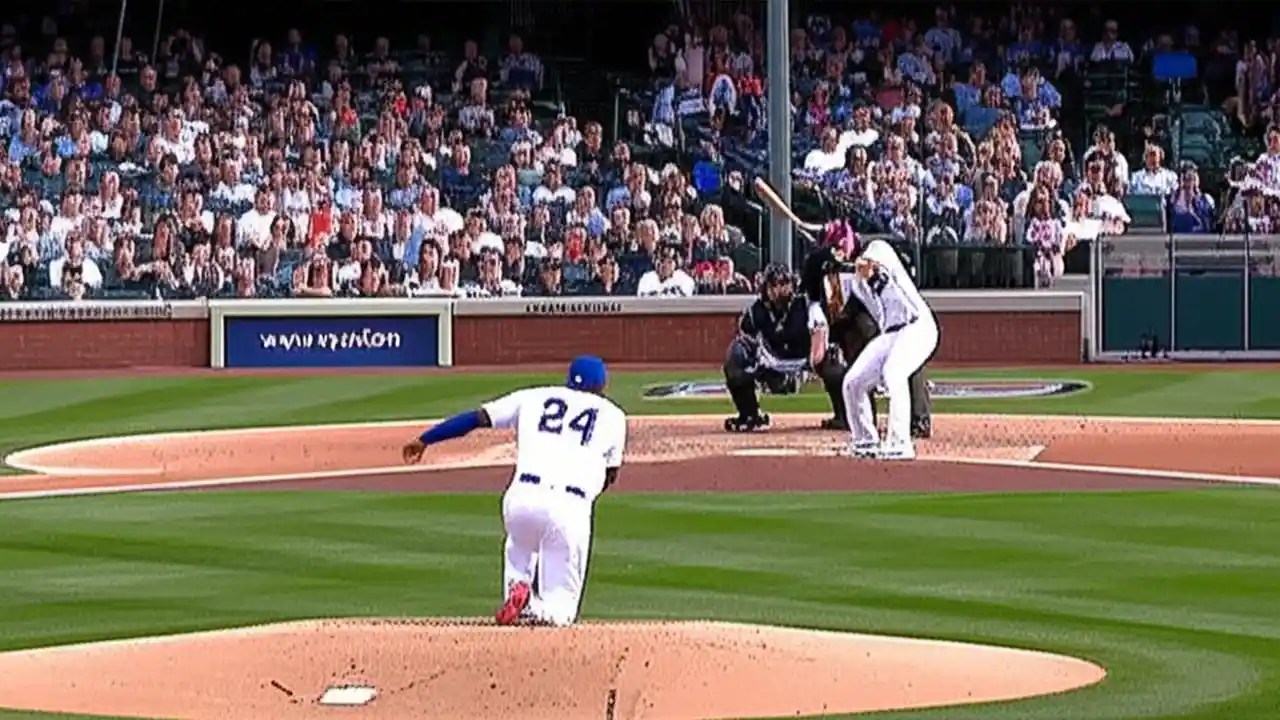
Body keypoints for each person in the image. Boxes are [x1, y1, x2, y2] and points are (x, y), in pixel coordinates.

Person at [401, 355, 627, 626]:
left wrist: (426, 439)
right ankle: (530, 604)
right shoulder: (613, 415)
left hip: (520, 500)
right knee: (560, 614)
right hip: (569, 506)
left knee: (520, 555)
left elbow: (476, 418)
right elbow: (609, 475)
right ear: (602, 384)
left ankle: (518, 595)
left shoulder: (532, 396)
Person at [801, 220, 933, 437]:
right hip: (862, 318)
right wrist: (823, 258)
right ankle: (861, 421)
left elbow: (881, 271)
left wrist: (859, 263)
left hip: (904, 319)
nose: (839, 253)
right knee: (857, 367)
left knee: (904, 365)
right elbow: (820, 289)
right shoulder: (828, 263)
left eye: (841, 247)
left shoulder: (877, 248)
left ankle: (919, 420)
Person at [840, 240, 940, 460]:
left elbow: (883, 275)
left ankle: (900, 442)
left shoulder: (878, 248)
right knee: (853, 382)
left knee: (894, 372)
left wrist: (872, 272)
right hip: (892, 333)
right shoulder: (857, 284)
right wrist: (860, 272)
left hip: (918, 325)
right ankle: (865, 440)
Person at [722, 263, 841, 432]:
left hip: (806, 361)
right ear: (766, 288)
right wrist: (758, 360)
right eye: (774, 285)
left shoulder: (807, 305)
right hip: (772, 363)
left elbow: (823, 332)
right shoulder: (754, 312)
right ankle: (750, 415)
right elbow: (746, 337)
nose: (779, 290)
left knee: (835, 360)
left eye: (784, 284)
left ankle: (844, 416)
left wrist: (816, 358)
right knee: (736, 355)